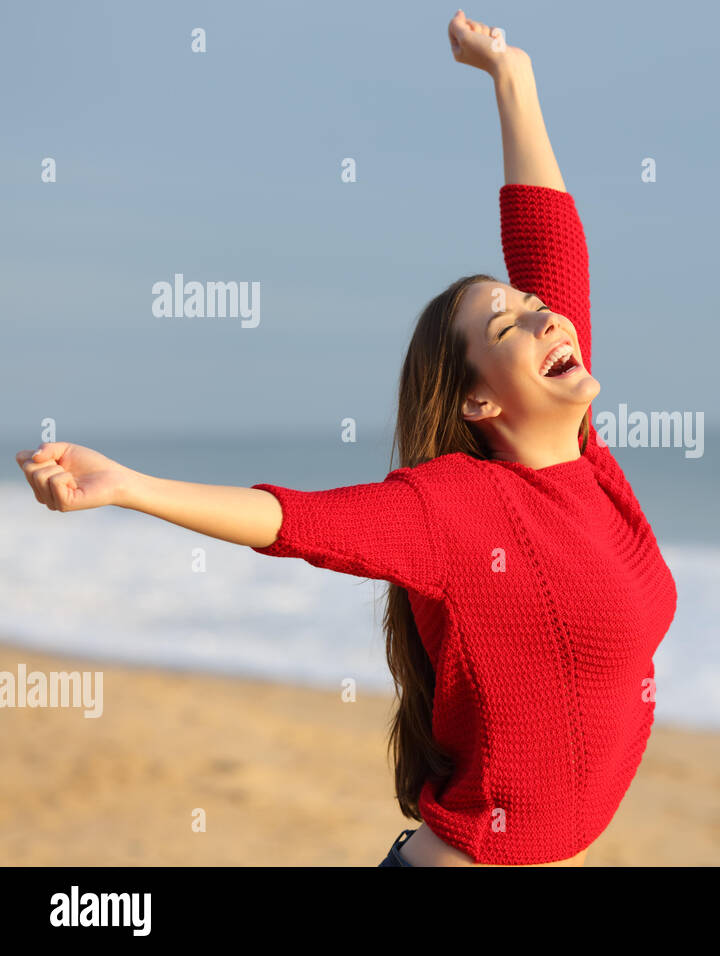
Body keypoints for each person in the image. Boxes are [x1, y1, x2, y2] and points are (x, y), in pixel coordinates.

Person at [14, 9, 678, 867]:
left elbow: (548, 241)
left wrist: (513, 79)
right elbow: (297, 522)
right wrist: (130, 486)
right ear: (478, 403)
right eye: (509, 322)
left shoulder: (584, 459)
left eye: (538, 307)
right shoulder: (460, 508)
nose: (544, 313)